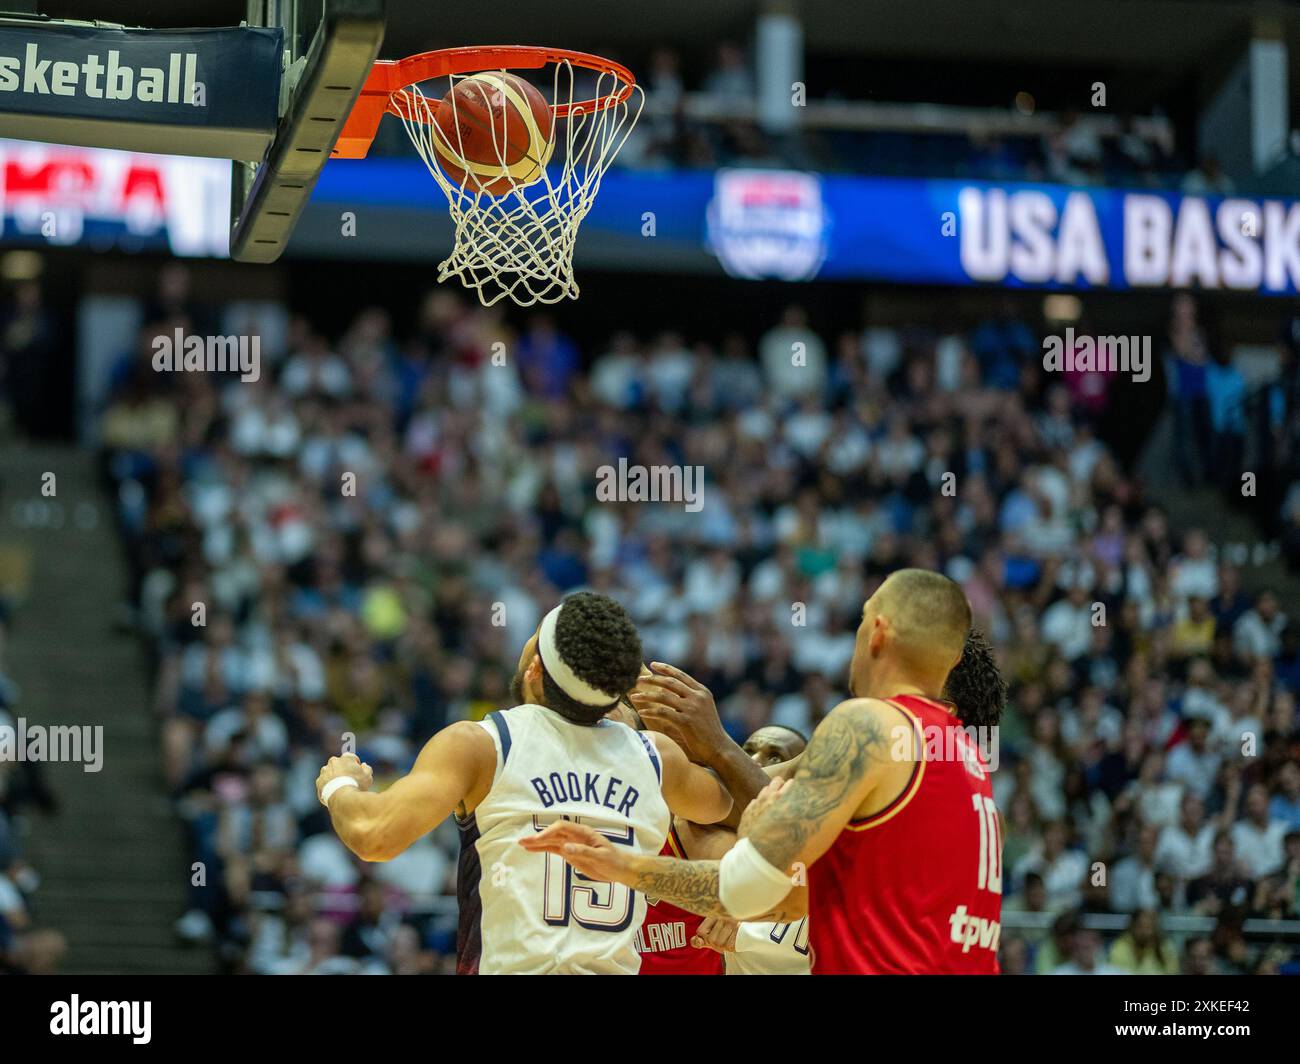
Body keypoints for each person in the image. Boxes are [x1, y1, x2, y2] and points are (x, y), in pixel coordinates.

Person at [525, 568, 1002, 974]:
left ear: (877, 632)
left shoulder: (869, 725)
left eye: (857, 624)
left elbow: (745, 889)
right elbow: (796, 901)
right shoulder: (968, 763)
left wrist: (622, 865)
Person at [315, 592, 733, 974]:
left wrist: (340, 786)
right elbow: (726, 802)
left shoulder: (481, 745)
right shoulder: (656, 757)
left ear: (534, 666)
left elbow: (373, 836)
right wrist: (712, 740)